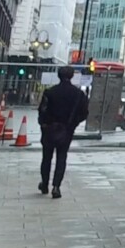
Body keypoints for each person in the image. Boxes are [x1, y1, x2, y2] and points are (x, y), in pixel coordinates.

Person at [38, 65, 89, 199]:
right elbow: (84, 113)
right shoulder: (78, 94)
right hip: (66, 129)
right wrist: (73, 123)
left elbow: (42, 110)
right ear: (72, 76)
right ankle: (56, 186)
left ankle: (44, 184)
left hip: (49, 128)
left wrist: (43, 123)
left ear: (58, 76)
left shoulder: (49, 92)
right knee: (61, 157)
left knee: (46, 157)